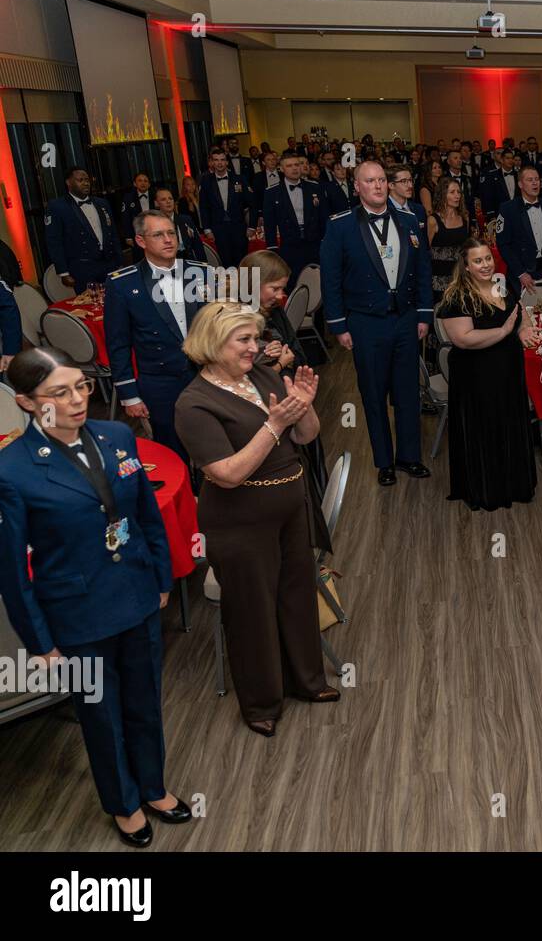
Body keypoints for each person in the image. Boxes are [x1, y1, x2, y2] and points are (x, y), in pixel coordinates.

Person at [0, 348, 190, 847]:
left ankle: (152, 786)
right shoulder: (13, 470)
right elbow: (12, 572)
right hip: (77, 615)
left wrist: (163, 578)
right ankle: (123, 802)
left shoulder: (117, 435)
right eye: (58, 393)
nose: (78, 400)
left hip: (136, 595)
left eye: (81, 386)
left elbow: (147, 513)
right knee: (101, 714)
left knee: (145, 700)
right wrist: (40, 643)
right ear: (25, 402)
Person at [173, 303, 336, 738]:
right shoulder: (194, 404)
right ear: (212, 344)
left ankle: (308, 680)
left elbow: (307, 435)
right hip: (238, 522)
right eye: (243, 340)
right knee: (252, 611)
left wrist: (304, 406)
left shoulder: (262, 374)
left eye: (254, 338)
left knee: (296, 594)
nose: (255, 347)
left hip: (291, 509)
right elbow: (226, 474)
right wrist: (273, 424)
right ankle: (262, 703)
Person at [320, 160, 433, 485]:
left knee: (408, 390)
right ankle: (384, 461)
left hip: (406, 319)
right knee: (373, 392)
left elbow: (422, 269)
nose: (378, 186)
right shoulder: (340, 226)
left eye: (382, 180)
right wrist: (339, 325)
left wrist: (424, 313)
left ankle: (409, 457)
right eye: (370, 181)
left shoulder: (410, 221)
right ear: (357, 187)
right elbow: (331, 278)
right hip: (365, 322)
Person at [436, 239, 538, 510]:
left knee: (508, 423)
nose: (485, 265)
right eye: (478, 261)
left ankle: (513, 484)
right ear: (466, 266)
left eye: (488, 259)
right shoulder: (456, 296)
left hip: (508, 370)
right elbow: (463, 339)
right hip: (476, 375)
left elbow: (520, 313)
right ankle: (487, 489)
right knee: (485, 428)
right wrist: (504, 332)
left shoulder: (501, 284)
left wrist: (523, 328)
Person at [104, 210, 215, 460]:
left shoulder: (201, 272)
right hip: (160, 383)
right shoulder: (122, 284)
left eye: (171, 233)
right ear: (141, 241)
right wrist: (129, 395)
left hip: (207, 375)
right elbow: (118, 344)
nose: (168, 240)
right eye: (158, 235)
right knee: (172, 450)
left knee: (214, 444)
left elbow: (218, 326)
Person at [45, 167, 121, 293]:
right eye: (80, 180)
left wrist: (119, 260)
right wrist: (63, 272)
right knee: (89, 304)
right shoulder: (57, 206)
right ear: (68, 183)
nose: (86, 183)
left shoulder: (102, 203)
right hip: (82, 267)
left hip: (108, 263)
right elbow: (54, 241)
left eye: (87, 180)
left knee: (116, 300)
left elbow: (113, 233)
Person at [497, 166, 542, 300]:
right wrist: (520, 273)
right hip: (521, 272)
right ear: (520, 184)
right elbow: (503, 244)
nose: (535, 183)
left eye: (537, 179)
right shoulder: (508, 209)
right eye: (530, 180)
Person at [262, 153, 328, 285]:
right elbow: (269, 224)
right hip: (289, 245)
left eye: (297, 164)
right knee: (293, 281)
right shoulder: (272, 192)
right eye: (289, 166)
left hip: (314, 244)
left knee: (318, 281)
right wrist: (273, 248)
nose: (294, 168)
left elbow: (324, 217)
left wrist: (325, 242)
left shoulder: (314, 187)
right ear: (281, 169)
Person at [199, 147, 252, 266]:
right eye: (216, 160)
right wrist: (207, 229)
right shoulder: (206, 181)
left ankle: (245, 285)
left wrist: (252, 226)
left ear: (227, 162)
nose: (219, 163)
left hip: (239, 228)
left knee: (243, 262)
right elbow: (204, 207)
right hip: (219, 230)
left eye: (222, 160)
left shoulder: (239, 179)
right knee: (226, 263)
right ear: (212, 162)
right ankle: (231, 285)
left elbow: (252, 203)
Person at [428, 178, 470, 304]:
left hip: (460, 278)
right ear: (442, 195)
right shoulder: (433, 220)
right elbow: (425, 252)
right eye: (452, 192)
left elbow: (466, 248)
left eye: (459, 192)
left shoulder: (464, 218)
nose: (457, 196)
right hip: (438, 281)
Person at [147, 188, 203, 264]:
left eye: (170, 198)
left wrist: (204, 266)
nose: (168, 201)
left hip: (187, 260)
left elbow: (198, 245)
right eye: (163, 199)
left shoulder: (186, 219)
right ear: (156, 203)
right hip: (166, 263)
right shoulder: (153, 224)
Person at [117, 172, 154, 248]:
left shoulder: (155, 196)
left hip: (154, 232)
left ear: (149, 184)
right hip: (137, 234)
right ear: (135, 183)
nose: (143, 183)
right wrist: (128, 236)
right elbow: (125, 218)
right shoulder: (128, 198)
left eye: (145, 181)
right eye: (140, 180)